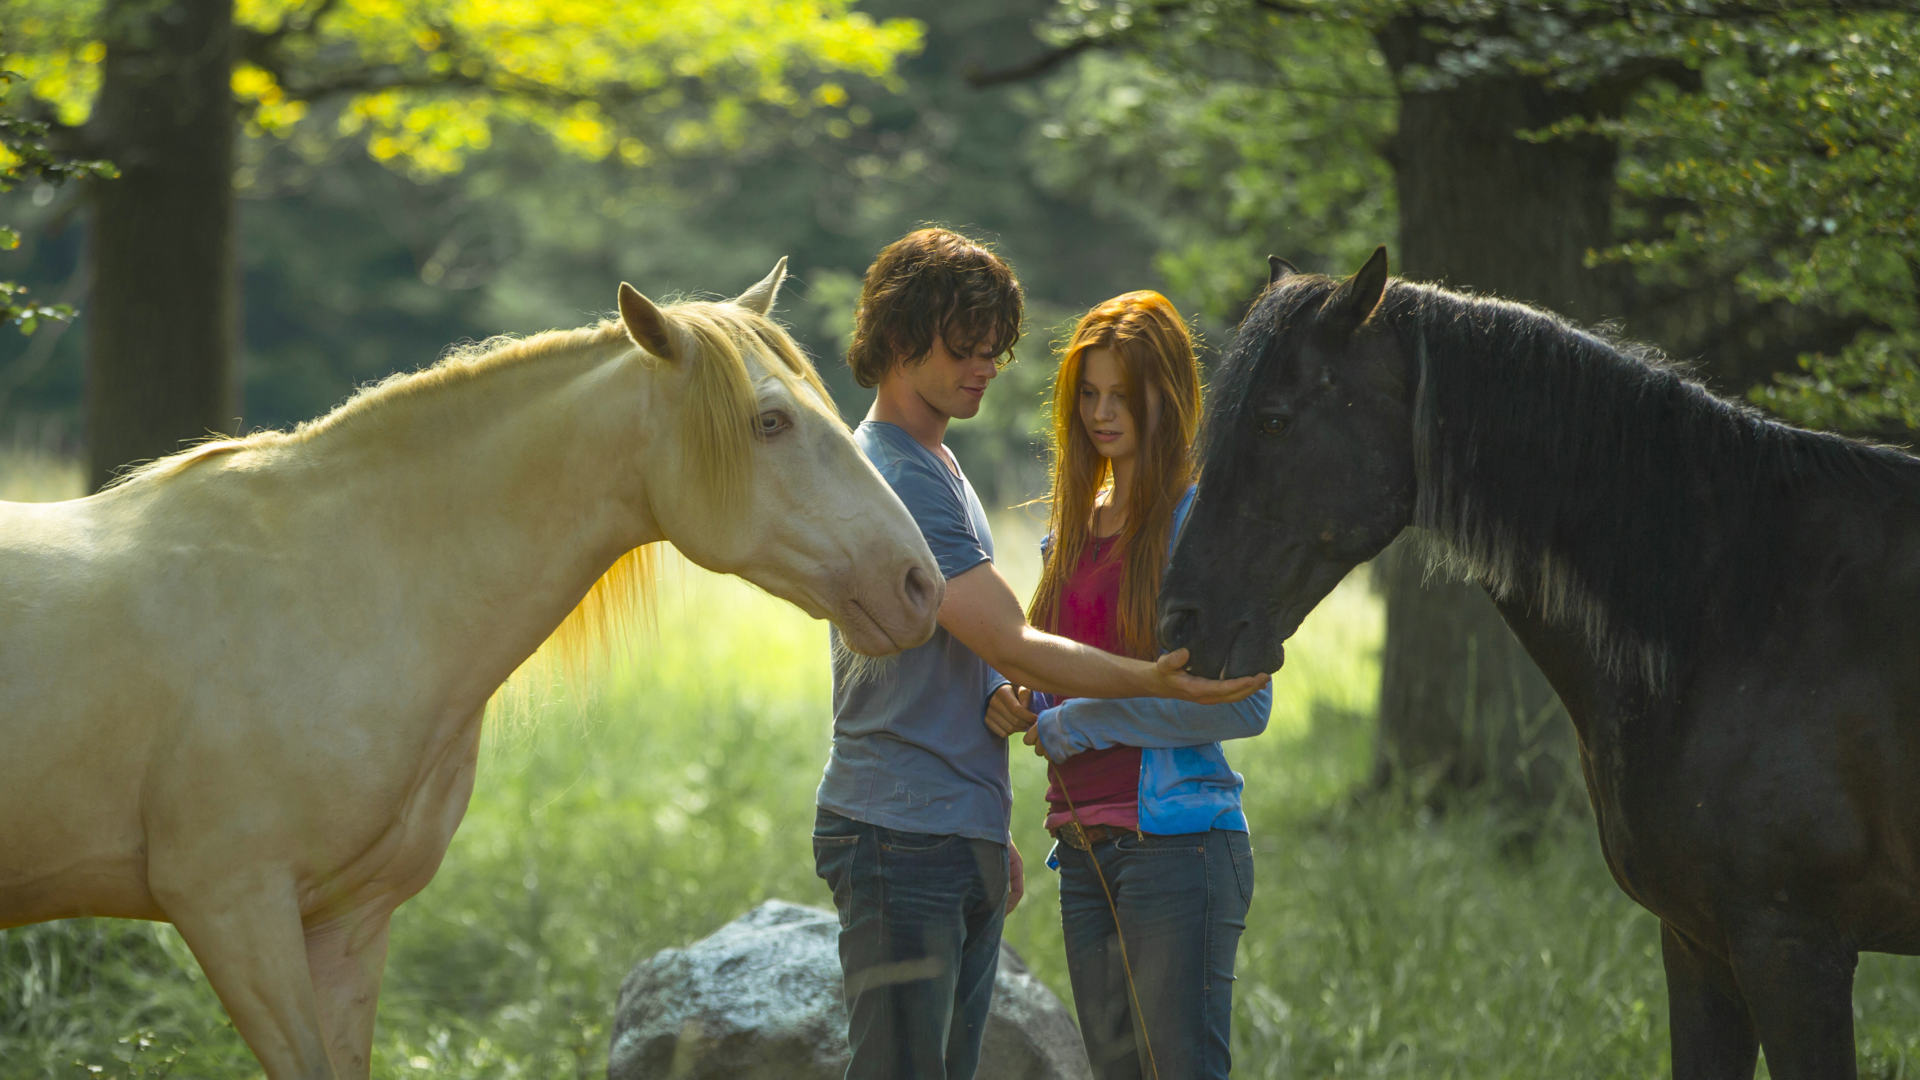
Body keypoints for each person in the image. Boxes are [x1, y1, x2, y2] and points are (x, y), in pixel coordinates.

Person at [812, 231, 1266, 1080]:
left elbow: (1240, 699)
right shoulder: (919, 483)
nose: (986, 364)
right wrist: (1058, 696)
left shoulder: (946, 467)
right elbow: (1015, 645)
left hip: (1120, 839)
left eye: (994, 348)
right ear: (901, 337)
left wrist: (1026, 744)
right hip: (967, 836)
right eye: (964, 347)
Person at [1016, 290, 1273, 1080]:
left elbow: (1250, 700)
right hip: (1082, 847)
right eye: (1088, 394)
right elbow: (1060, 677)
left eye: (1121, 396)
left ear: (1168, 395)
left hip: (1179, 849)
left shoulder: (1203, 527)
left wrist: (1088, 722)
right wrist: (1023, 700)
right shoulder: (1069, 532)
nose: (1102, 413)